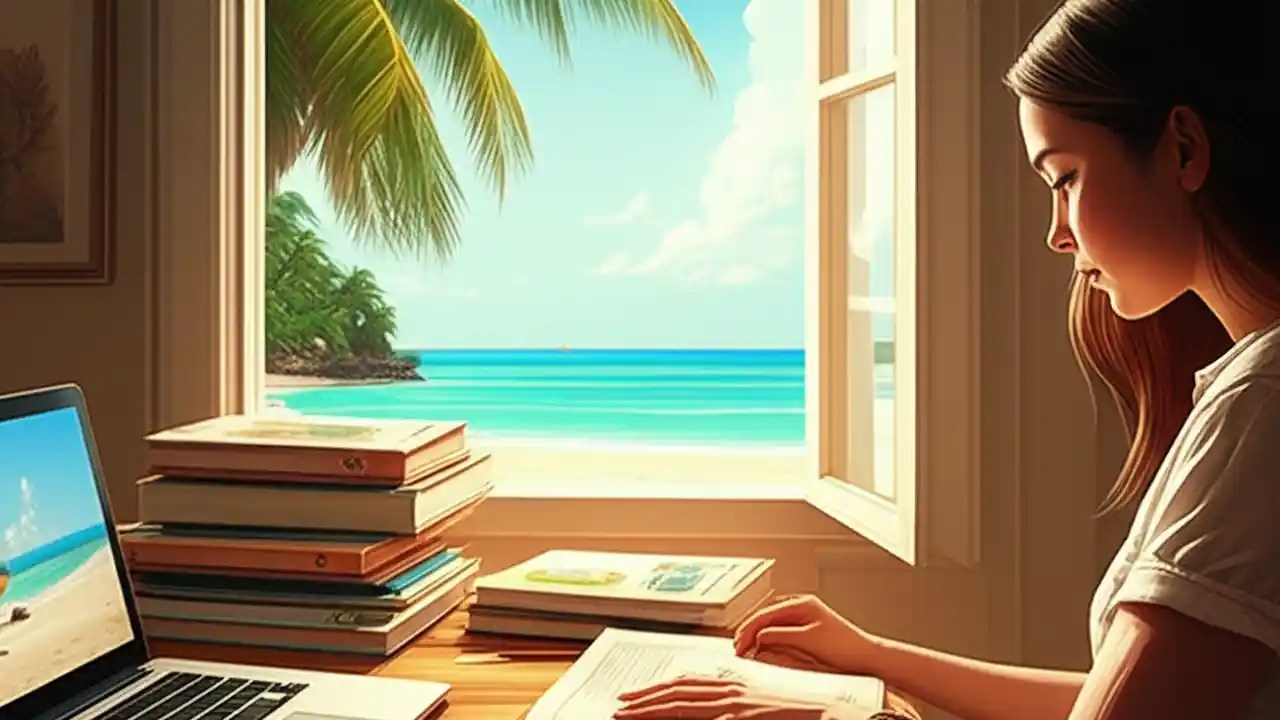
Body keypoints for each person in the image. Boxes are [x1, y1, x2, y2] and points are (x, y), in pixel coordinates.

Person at [612, 0, 1278, 718]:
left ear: (1183, 149)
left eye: (1065, 178)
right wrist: (872, 660)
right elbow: (1126, 700)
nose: (1057, 233)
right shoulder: (1250, 390)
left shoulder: (1261, 406)